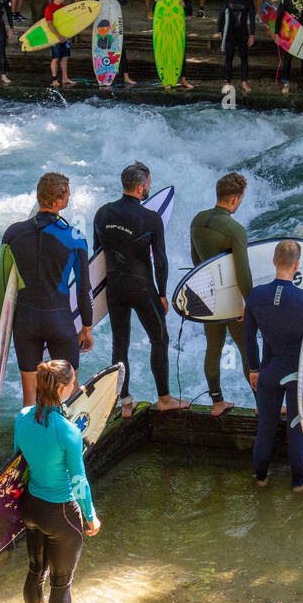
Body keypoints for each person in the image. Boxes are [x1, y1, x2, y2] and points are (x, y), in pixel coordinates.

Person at [14, 358, 101, 603]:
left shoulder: (23, 416)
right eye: (72, 382)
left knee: (35, 569)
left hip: (31, 507)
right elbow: (78, 481)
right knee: (61, 583)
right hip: (60, 513)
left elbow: (19, 462)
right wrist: (90, 516)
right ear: (64, 388)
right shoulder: (69, 432)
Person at [93, 162, 188, 417]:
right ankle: (165, 398)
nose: (149, 189)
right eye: (148, 185)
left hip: (114, 287)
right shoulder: (151, 218)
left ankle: (124, 402)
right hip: (142, 287)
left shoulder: (102, 213)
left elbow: (97, 258)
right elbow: (160, 260)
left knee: (119, 342)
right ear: (139, 187)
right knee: (160, 339)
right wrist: (162, 294)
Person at [0, 172, 93, 410]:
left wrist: (3, 320)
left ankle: (26, 445)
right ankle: (69, 441)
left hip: (26, 321)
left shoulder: (12, 234)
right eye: (68, 194)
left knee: (30, 397)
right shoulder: (75, 237)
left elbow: (2, 284)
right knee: (68, 394)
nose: (70, 197)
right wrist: (87, 328)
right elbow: (84, 289)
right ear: (58, 202)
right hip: (59, 322)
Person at [242, 240, 303, 490]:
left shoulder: (256, 295)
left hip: (268, 372)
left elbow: (248, 336)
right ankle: (299, 482)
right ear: (297, 265)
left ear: (273, 261)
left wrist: (254, 369)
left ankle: (260, 478)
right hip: (296, 375)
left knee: (265, 428)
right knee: (298, 428)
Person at [190, 173, 253, 416]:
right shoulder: (235, 230)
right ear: (235, 199)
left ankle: (217, 402)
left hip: (207, 295)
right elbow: (243, 272)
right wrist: (251, 303)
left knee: (213, 348)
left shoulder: (197, 220)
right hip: (232, 299)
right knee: (247, 349)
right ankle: (263, 405)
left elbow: (196, 262)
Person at [93, 0, 136, 87]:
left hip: (114, 26)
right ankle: (103, 74)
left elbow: (124, 1)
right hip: (101, 27)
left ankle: (126, 77)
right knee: (102, 50)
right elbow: (91, 4)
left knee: (120, 49)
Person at [219, 0, 257, 93]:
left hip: (243, 33)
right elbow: (221, 15)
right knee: (228, 57)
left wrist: (252, 35)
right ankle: (227, 82)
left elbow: (252, 18)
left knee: (244, 58)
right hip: (230, 33)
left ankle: (244, 82)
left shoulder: (249, 1)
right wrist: (220, 30)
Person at [161, 0, 194, 89]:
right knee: (167, 53)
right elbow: (158, 11)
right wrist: (157, 1)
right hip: (167, 28)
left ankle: (183, 80)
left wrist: (184, 5)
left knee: (181, 53)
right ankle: (167, 80)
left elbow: (190, 11)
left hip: (178, 28)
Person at [45, 0, 74, 88]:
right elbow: (49, 24)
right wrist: (58, 36)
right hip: (54, 37)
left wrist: (67, 35)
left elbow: (67, 22)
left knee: (65, 57)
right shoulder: (50, 8)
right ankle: (54, 79)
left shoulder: (63, 7)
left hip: (64, 36)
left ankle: (65, 78)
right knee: (55, 57)